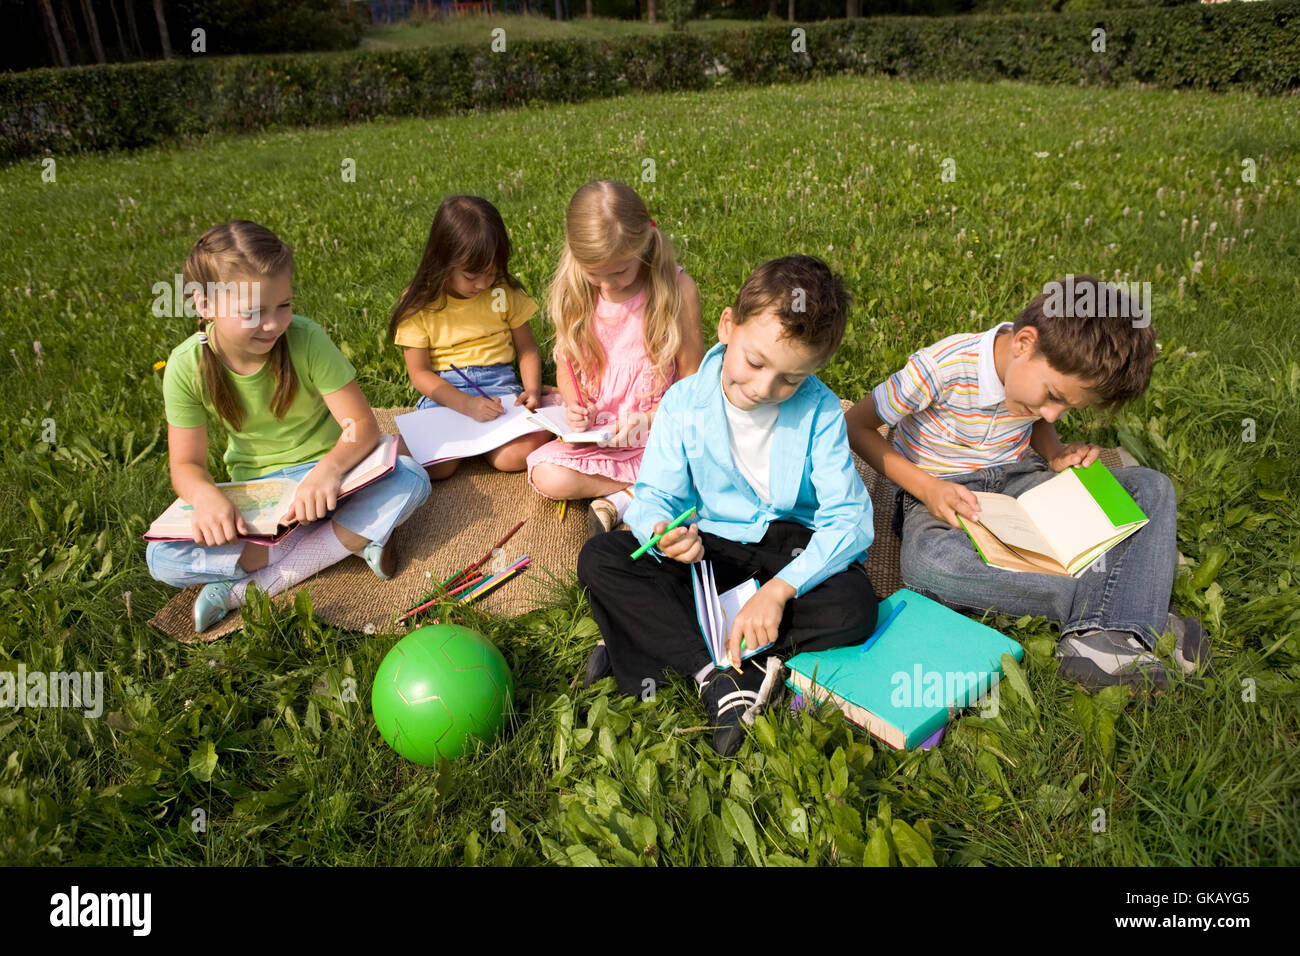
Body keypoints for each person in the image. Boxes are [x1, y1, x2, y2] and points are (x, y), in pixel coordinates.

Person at [844, 274, 1210, 691]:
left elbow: (1035, 421)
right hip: (936, 493)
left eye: (1066, 406)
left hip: (1019, 480)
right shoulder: (943, 366)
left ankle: (1109, 629)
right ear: (1024, 344)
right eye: (1053, 397)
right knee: (931, 564)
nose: (1053, 414)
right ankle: (1132, 617)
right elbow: (856, 425)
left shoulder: (1036, 374)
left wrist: (1055, 454)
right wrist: (927, 488)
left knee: (1151, 487)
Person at [578, 255, 878, 756]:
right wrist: (661, 529)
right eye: (755, 363)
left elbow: (848, 519)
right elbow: (655, 495)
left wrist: (781, 590)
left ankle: (647, 639)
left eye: (791, 380)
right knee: (602, 558)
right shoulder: (682, 403)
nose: (764, 389)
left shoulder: (823, 410)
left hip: (787, 548)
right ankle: (717, 675)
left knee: (854, 605)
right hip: (711, 546)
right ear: (726, 324)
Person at [147, 220, 431, 633]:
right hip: (259, 497)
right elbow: (186, 463)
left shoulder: (307, 339)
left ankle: (247, 589)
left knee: (411, 479)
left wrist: (329, 471)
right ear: (203, 304)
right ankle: (348, 539)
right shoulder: (186, 366)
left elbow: (360, 425)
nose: (273, 324)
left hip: (330, 477)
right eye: (252, 312)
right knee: (161, 558)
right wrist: (206, 497)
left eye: (283, 305)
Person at [527, 180, 704, 536]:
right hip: (601, 436)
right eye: (595, 274)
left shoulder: (677, 290)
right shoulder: (575, 294)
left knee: (707, 462)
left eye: (620, 272)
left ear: (644, 245)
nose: (607, 286)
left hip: (658, 431)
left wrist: (650, 418)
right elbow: (567, 370)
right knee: (546, 474)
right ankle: (645, 491)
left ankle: (627, 497)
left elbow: (691, 378)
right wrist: (576, 405)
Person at [389, 195, 553, 479]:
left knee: (514, 456)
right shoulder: (420, 301)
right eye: (471, 276)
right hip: (445, 391)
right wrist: (466, 405)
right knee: (437, 466)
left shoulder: (503, 291)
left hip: (500, 386)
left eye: (491, 273)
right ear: (443, 261)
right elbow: (419, 374)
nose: (482, 284)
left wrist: (533, 389)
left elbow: (526, 348)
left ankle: (544, 414)